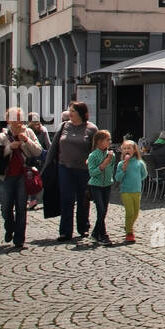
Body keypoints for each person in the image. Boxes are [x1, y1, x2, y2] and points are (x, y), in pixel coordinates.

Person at [0, 107, 42, 250]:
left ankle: (19, 239)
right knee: (6, 207)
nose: (18, 122)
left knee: (21, 207)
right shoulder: (2, 136)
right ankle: (9, 227)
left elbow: (38, 151)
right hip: (6, 176)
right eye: (15, 119)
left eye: (20, 119)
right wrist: (9, 148)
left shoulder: (28, 132)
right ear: (8, 120)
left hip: (23, 175)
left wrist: (25, 140)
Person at [56, 101, 98, 242]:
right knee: (66, 199)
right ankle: (65, 231)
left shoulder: (91, 129)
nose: (70, 113)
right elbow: (55, 146)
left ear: (80, 113)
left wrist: (94, 165)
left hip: (83, 169)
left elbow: (96, 150)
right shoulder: (63, 126)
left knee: (83, 199)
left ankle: (83, 228)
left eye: (73, 111)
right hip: (65, 167)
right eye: (69, 110)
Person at [85, 130, 117, 245]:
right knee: (100, 209)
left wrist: (109, 161)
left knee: (104, 211)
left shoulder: (111, 155)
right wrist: (104, 164)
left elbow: (112, 167)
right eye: (107, 140)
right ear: (99, 141)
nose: (110, 142)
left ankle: (95, 233)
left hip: (107, 185)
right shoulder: (93, 155)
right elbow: (92, 173)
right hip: (96, 185)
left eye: (110, 139)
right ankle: (103, 235)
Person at [116, 140, 147, 243]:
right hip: (126, 190)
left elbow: (144, 174)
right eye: (125, 148)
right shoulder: (121, 164)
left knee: (136, 213)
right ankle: (129, 233)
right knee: (129, 212)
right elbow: (117, 178)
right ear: (122, 151)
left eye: (129, 148)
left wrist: (137, 181)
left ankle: (128, 226)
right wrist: (123, 170)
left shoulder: (139, 163)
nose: (127, 150)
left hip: (136, 190)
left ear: (134, 150)